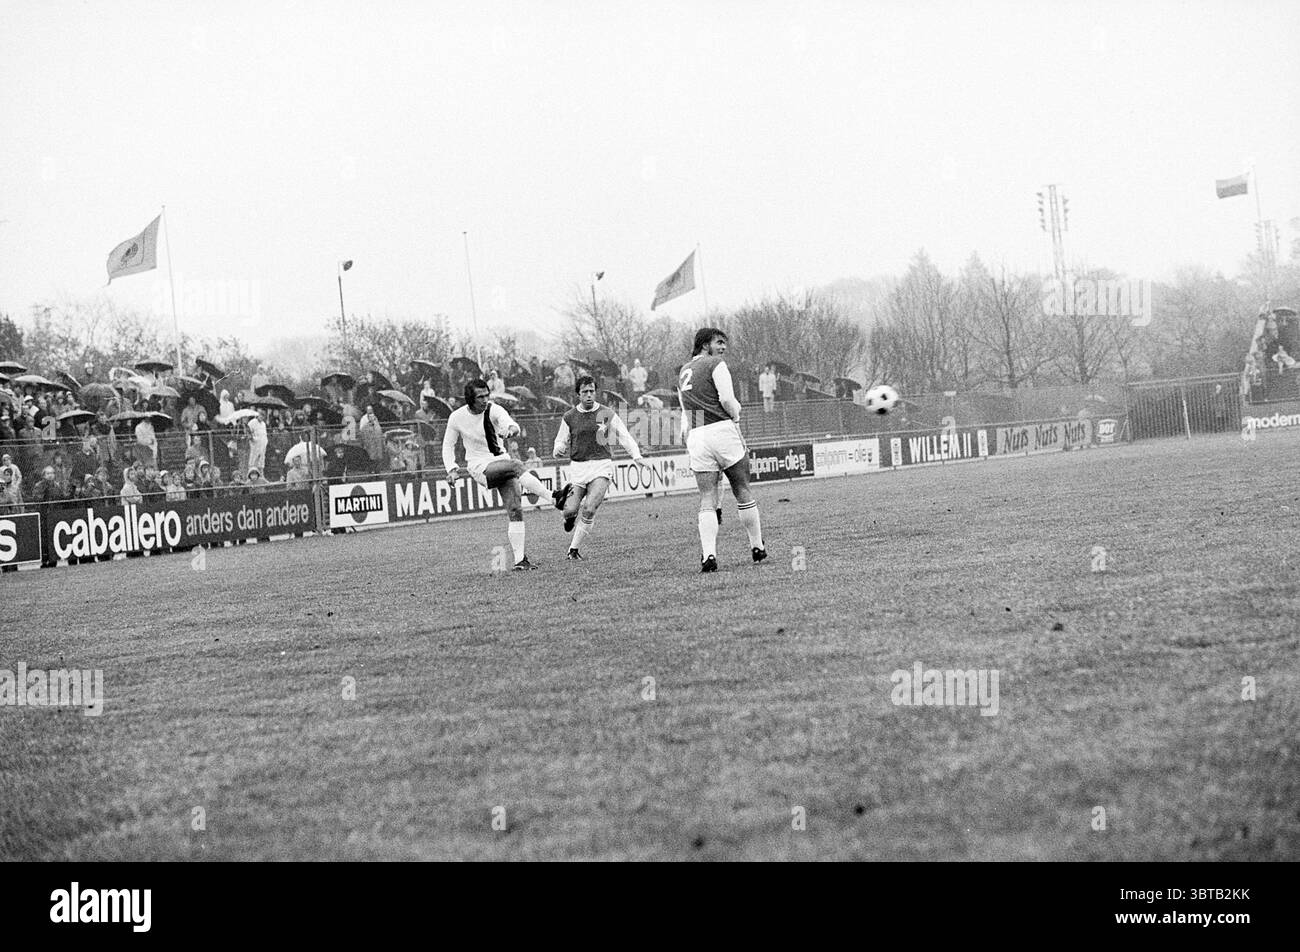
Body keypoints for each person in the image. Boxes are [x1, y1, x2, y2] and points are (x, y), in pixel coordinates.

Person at [679, 327, 765, 572]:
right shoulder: (715, 364)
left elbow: (685, 413)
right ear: (705, 345)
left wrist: (689, 439)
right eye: (719, 342)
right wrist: (736, 413)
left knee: (707, 497)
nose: (723, 347)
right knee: (742, 488)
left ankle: (708, 555)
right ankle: (756, 546)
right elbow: (727, 400)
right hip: (721, 430)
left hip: (697, 436)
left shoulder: (683, 371)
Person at [441, 379, 551, 570]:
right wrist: (451, 468)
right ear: (470, 399)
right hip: (479, 467)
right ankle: (554, 497)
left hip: (501, 462)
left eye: (486, 395)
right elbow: (448, 445)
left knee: (515, 510)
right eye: (480, 397)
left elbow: (510, 423)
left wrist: (511, 430)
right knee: (517, 465)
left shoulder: (493, 409)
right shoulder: (456, 417)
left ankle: (520, 561)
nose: (485, 400)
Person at [551, 375, 648, 560]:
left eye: (592, 391)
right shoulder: (569, 417)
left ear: (595, 392)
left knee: (589, 508)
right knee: (570, 510)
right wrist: (558, 449)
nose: (589, 395)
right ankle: (568, 515)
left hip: (601, 466)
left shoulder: (606, 413)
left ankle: (573, 550)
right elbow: (560, 441)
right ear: (578, 395)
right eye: (585, 392)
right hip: (578, 468)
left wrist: (636, 456)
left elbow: (624, 435)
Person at [247, 409, 269, 475]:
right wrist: (252, 438)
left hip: (262, 445)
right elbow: (248, 432)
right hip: (254, 445)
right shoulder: (252, 422)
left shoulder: (263, 424)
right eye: (260, 415)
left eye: (263, 416)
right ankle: (250, 476)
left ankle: (261, 477)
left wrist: (266, 442)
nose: (262, 417)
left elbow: (265, 434)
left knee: (261, 463)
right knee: (253, 462)